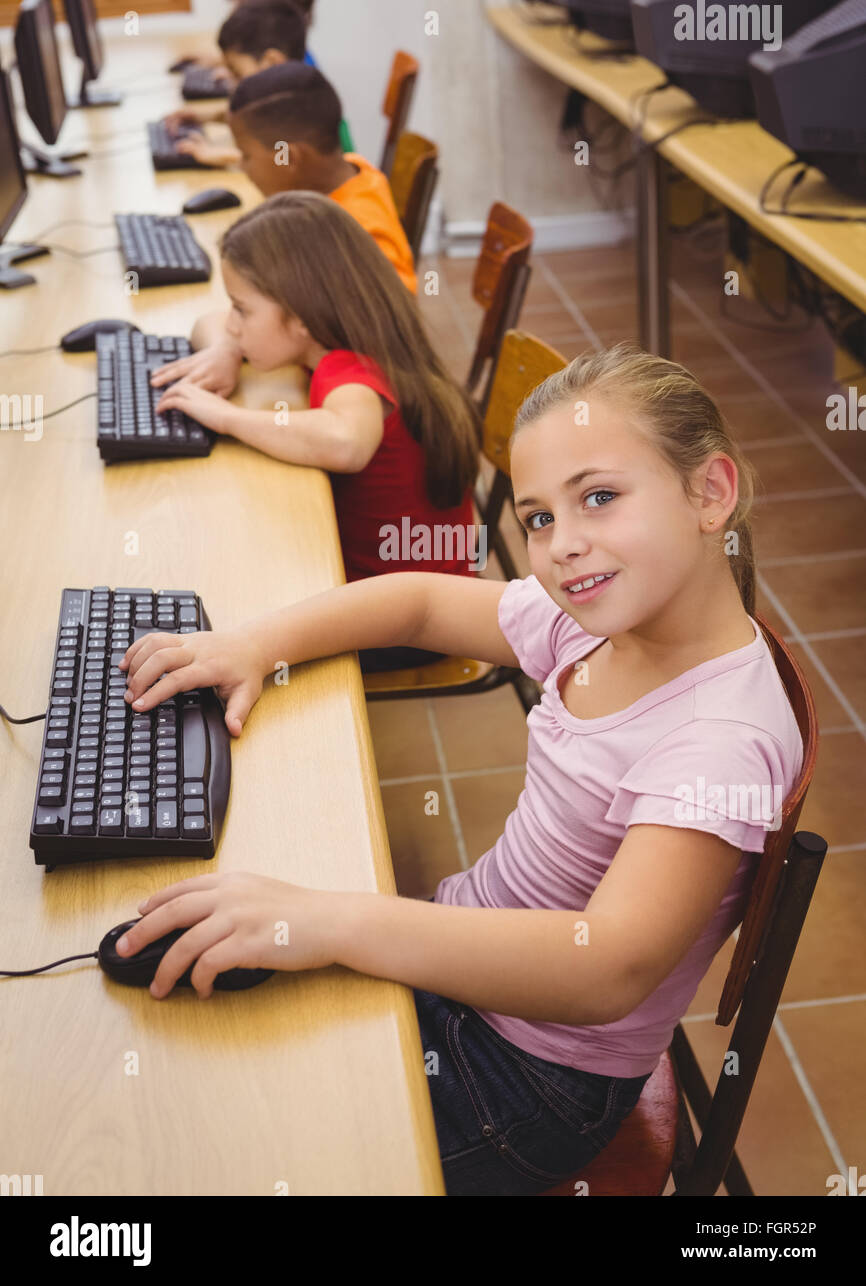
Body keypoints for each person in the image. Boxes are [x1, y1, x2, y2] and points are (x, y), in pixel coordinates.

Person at [118, 342, 804, 1196]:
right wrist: (254, 643)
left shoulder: (721, 736)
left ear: (710, 493)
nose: (563, 546)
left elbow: (607, 968)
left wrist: (332, 923)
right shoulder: (599, 620)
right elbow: (424, 599)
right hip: (470, 967)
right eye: (540, 518)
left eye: (599, 498)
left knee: (229, 1152)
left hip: (532, 1082)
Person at [151, 191, 479, 614]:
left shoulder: (350, 373)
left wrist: (227, 418)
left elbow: (347, 442)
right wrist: (226, 350)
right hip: (422, 591)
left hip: (411, 620)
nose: (231, 322)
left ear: (300, 316)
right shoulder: (357, 336)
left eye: (242, 310)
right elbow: (207, 323)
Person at [164, 0, 355, 165]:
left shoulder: (300, 107)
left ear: (272, 63)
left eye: (237, 72)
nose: (231, 82)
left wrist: (222, 155)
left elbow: (285, 161)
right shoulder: (287, 90)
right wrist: (207, 116)